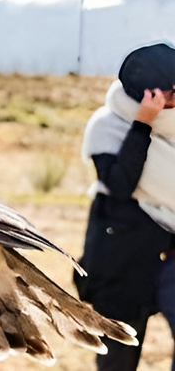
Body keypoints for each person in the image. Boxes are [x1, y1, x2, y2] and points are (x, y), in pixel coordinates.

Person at [77, 42, 175, 371]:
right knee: (118, 357)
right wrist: (143, 125)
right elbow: (120, 186)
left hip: (170, 257)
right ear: (149, 96)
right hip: (124, 258)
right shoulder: (108, 126)